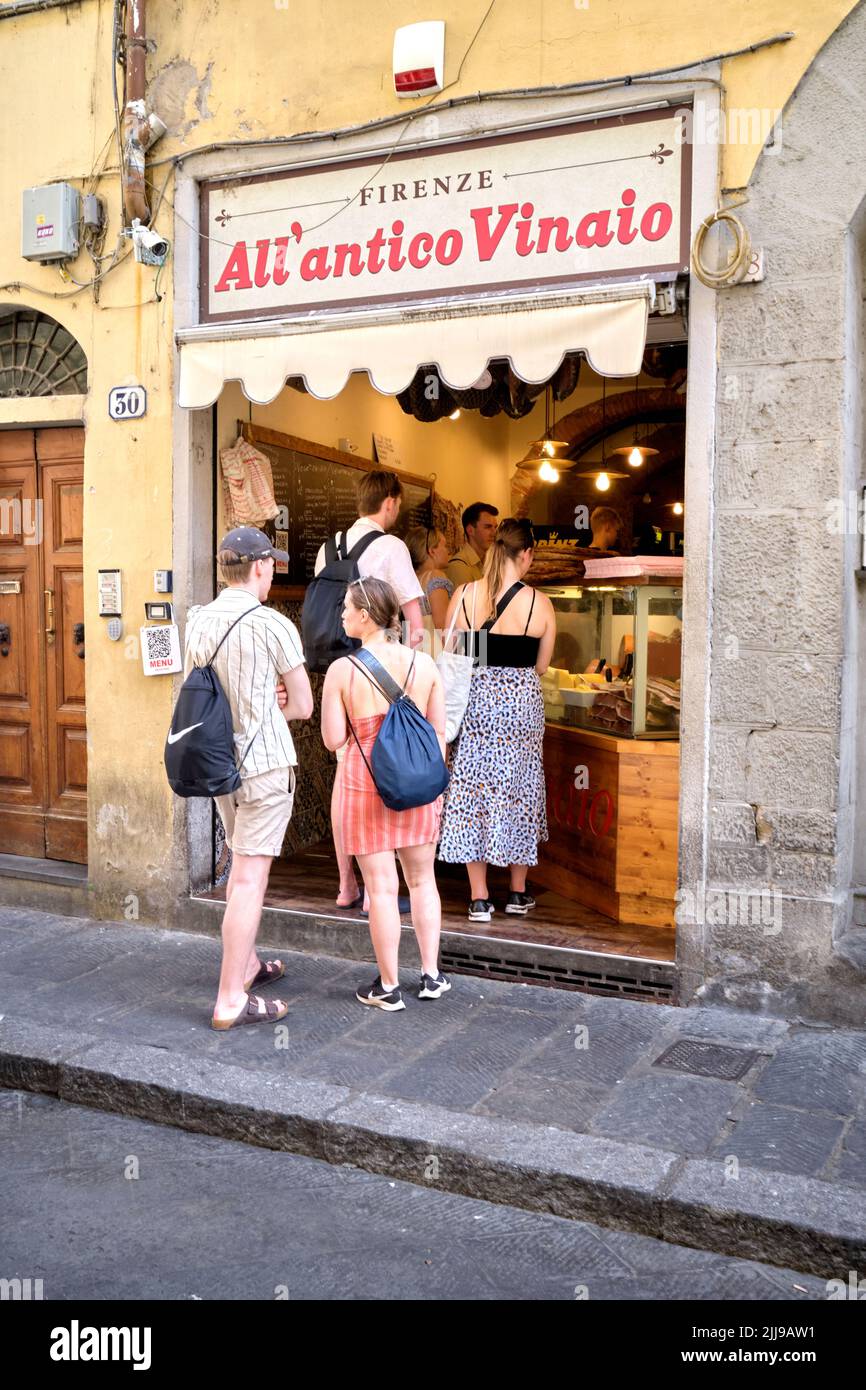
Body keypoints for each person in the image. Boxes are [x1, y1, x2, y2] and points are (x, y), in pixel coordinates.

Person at [184, 526, 314, 1030]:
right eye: (272, 566)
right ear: (260, 567)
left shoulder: (196, 621)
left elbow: (210, 690)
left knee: (240, 866)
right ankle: (229, 999)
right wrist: (277, 701)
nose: (273, 573)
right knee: (247, 880)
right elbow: (302, 704)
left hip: (219, 765)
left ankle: (251, 965)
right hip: (264, 765)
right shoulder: (274, 625)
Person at [321, 576, 449, 1010]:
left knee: (380, 886)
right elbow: (438, 736)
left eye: (345, 607)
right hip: (418, 786)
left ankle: (390, 986)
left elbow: (333, 740)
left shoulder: (342, 670)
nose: (340, 614)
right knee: (422, 881)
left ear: (363, 615)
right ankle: (431, 976)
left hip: (365, 785)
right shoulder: (425, 665)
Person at [314, 469, 425, 912]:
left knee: (346, 775)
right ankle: (380, 886)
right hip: (380, 672)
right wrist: (410, 656)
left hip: (337, 669)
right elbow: (416, 623)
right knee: (386, 772)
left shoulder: (327, 548)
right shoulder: (391, 547)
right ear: (391, 502)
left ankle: (347, 884)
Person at [438, 517, 556, 922]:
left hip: (476, 703)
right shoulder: (539, 603)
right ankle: (518, 892)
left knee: (474, 794)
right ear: (525, 554)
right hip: (521, 707)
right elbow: (541, 666)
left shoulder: (465, 595)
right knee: (519, 793)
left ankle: (478, 897)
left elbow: (451, 653)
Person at [405, 524, 454, 632]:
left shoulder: (409, 580)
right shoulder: (435, 576)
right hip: (436, 647)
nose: (448, 551)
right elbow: (443, 627)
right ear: (432, 551)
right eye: (445, 545)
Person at [445, 501, 499, 589]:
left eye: (495, 527)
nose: (494, 533)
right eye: (488, 527)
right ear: (470, 530)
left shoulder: (490, 563)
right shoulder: (459, 566)